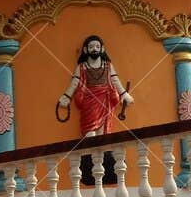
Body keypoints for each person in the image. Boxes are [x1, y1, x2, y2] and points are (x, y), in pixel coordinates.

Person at [57, 35, 134, 186]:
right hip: (89, 101)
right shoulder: (82, 67)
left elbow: (115, 80)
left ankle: (104, 162)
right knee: (89, 132)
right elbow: (75, 83)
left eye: (97, 47)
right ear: (86, 49)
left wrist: (124, 94)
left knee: (103, 133)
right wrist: (66, 97)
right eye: (91, 47)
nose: (94, 49)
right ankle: (91, 161)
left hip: (105, 99)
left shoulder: (108, 66)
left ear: (102, 49)